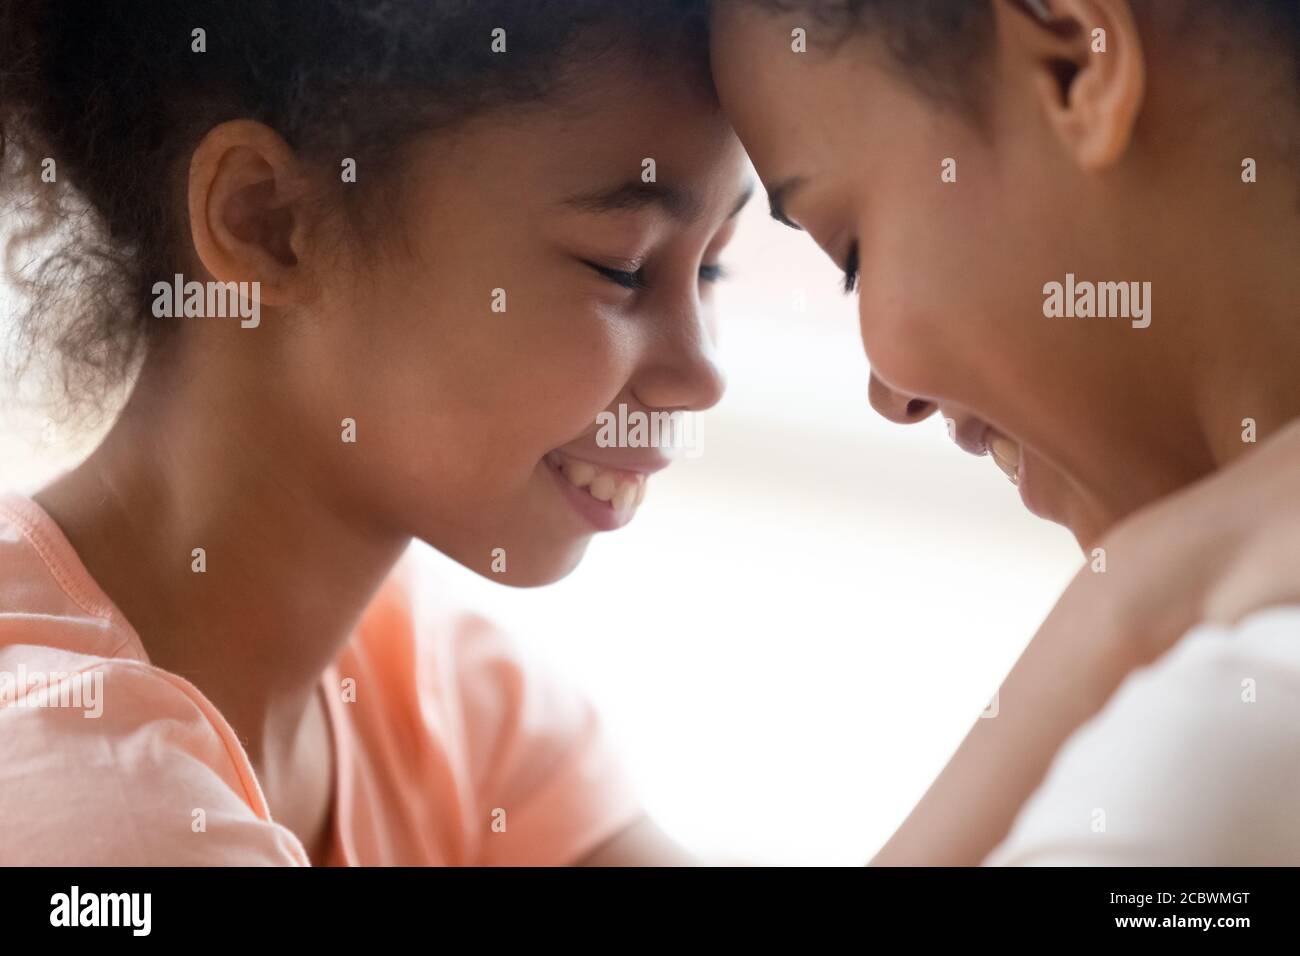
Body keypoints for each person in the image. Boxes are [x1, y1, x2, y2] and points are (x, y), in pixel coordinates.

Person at [0, 0, 747, 865]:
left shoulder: (437, 693)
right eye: (622, 265)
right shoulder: (78, 796)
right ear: (269, 224)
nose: (703, 375)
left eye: (715, 264)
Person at [710, 0, 1300, 863]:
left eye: (855, 255)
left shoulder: (1227, 743)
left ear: (1075, 65)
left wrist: (1116, 622)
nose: (891, 395)